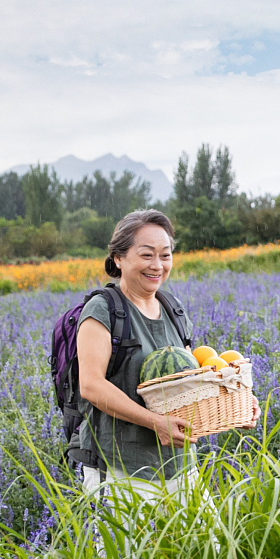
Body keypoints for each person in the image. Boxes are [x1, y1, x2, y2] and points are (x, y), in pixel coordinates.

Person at [69, 209, 198, 499]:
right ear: (119, 258)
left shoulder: (173, 309)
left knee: (205, 545)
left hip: (180, 465)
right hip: (121, 469)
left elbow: (192, 380)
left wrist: (234, 393)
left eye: (165, 255)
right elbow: (91, 386)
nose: (158, 265)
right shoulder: (102, 310)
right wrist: (154, 423)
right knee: (126, 546)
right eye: (146, 254)